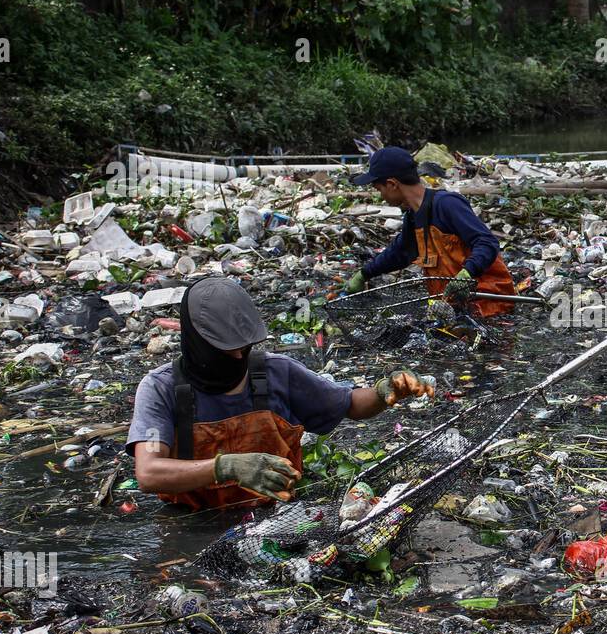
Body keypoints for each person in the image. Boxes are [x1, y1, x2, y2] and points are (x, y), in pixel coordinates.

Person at [128, 277, 432, 510]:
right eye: (226, 350)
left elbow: (350, 404)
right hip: (192, 524)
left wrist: (383, 392)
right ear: (197, 342)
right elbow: (150, 472)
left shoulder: (276, 372)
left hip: (276, 516)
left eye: (244, 348)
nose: (238, 358)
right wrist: (226, 466)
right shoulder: (161, 389)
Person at [343, 146, 517, 317]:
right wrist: (364, 274)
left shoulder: (447, 204)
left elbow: (487, 242)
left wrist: (467, 274)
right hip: (452, 308)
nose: (380, 195)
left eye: (378, 188)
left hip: (489, 305)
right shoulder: (413, 216)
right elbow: (400, 252)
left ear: (392, 184)